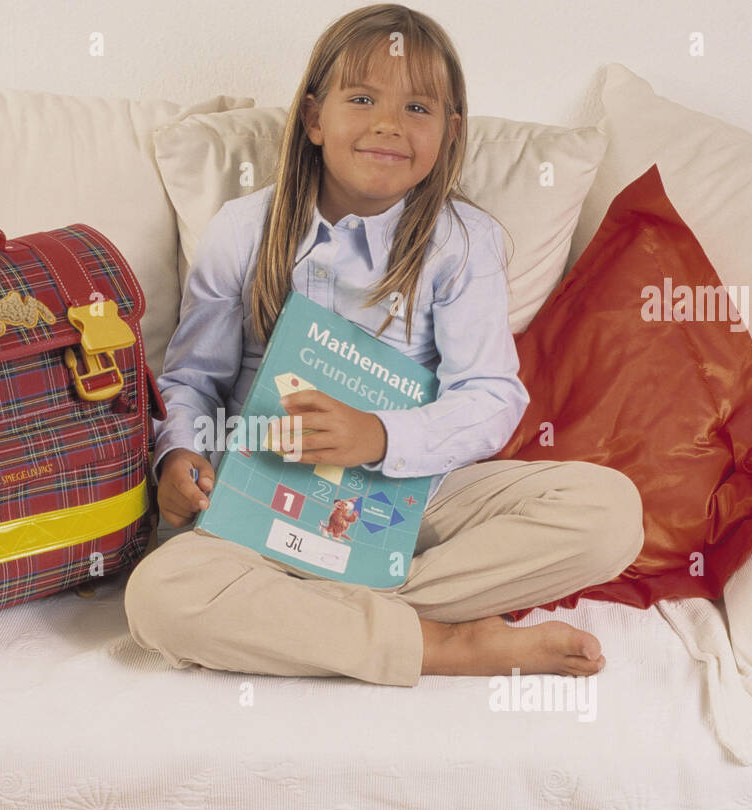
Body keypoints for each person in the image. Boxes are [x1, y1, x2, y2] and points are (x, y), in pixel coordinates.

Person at [124, 3, 644, 686]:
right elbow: (191, 378)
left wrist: (379, 437)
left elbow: (490, 395)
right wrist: (180, 453)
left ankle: (336, 619)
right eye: (362, 98)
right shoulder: (242, 230)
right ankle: (440, 642)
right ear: (313, 117)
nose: (388, 125)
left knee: (611, 514)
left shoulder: (462, 243)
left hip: (410, 499)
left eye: (418, 108)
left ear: (451, 133)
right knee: (158, 598)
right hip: (263, 504)